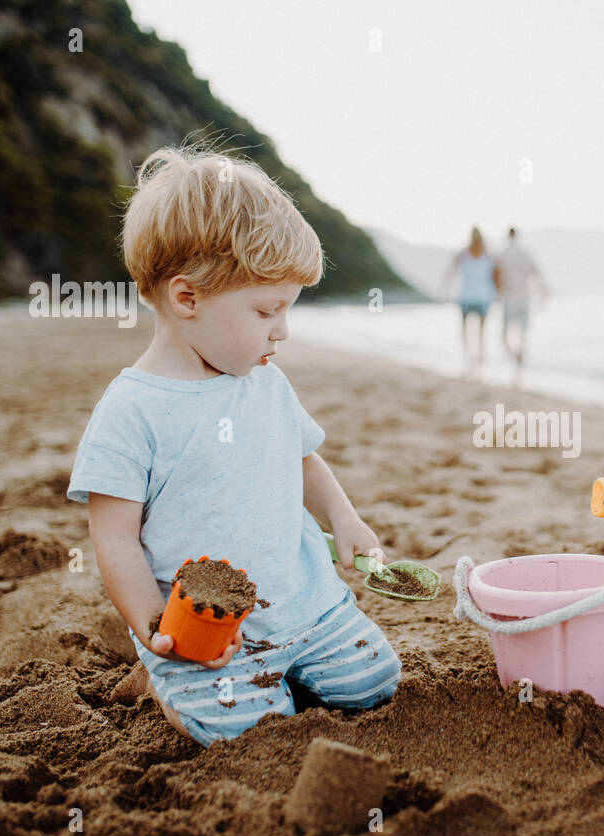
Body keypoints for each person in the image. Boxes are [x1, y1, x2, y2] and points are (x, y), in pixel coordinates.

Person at [65, 145, 402, 747]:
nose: (283, 330)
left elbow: (302, 457)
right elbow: (113, 536)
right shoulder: (131, 410)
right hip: (208, 630)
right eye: (266, 309)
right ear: (187, 299)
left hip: (308, 603)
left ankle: (297, 664)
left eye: (287, 309)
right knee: (244, 729)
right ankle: (161, 680)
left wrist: (344, 518)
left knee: (374, 683)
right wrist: (152, 624)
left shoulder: (264, 381)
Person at [493, 227, 545, 384]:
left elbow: (495, 276)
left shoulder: (502, 254)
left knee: (503, 335)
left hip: (509, 298)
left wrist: (498, 292)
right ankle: (519, 365)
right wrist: (544, 293)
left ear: (507, 237)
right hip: (525, 298)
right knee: (523, 335)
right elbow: (538, 275)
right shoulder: (525, 253)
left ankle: (515, 358)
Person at [445, 227, 497, 376]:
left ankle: (468, 357)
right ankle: (480, 360)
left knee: (465, 330)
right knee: (481, 333)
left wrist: (444, 289)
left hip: (466, 296)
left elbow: (450, 272)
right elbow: (495, 276)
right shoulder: (488, 255)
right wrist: (497, 293)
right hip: (483, 297)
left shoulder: (462, 254)